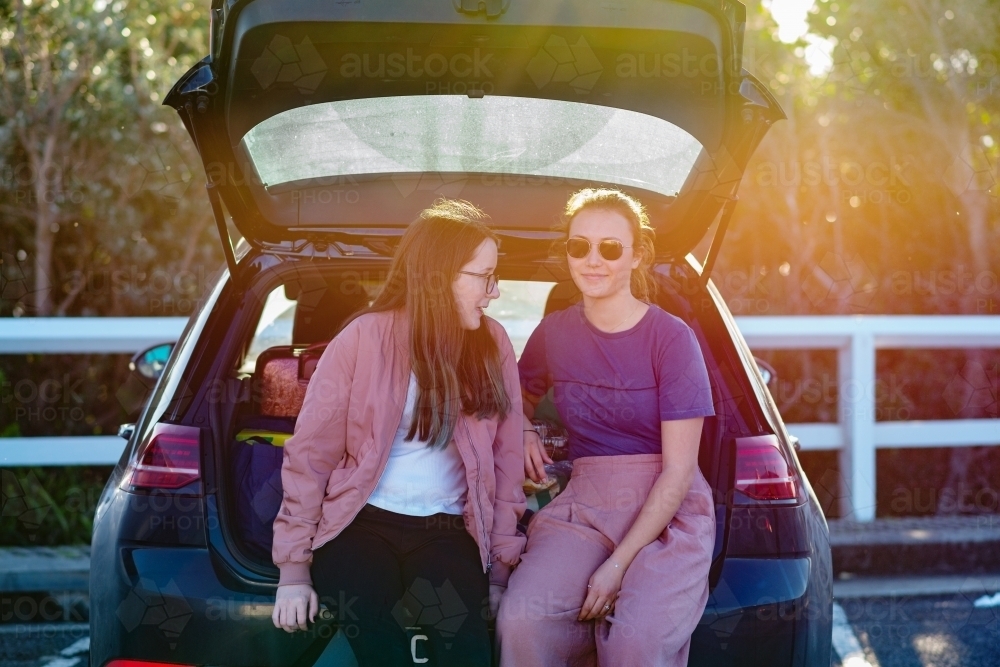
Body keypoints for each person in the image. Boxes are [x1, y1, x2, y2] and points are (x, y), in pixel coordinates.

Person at [271, 199, 526, 666]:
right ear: (439, 274)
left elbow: (508, 464)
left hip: (447, 531)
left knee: (464, 653)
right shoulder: (362, 338)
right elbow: (310, 456)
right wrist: (293, 572)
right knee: (381, 648)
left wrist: (500, 574)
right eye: (484, 276)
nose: (494, 291)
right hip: (359, 525)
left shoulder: (493, 345)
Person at [496, 188, 717, 666]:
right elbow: (513, 397)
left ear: (637, 256)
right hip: (585, 505)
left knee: (634, 641)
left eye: (610, 248)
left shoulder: (672, 338)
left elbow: (679, 473)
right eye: (580, 246)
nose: (592, 260)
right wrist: (524, 429)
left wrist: (616, 566)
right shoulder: (554, 331)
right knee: (521, 620)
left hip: (667, 513)